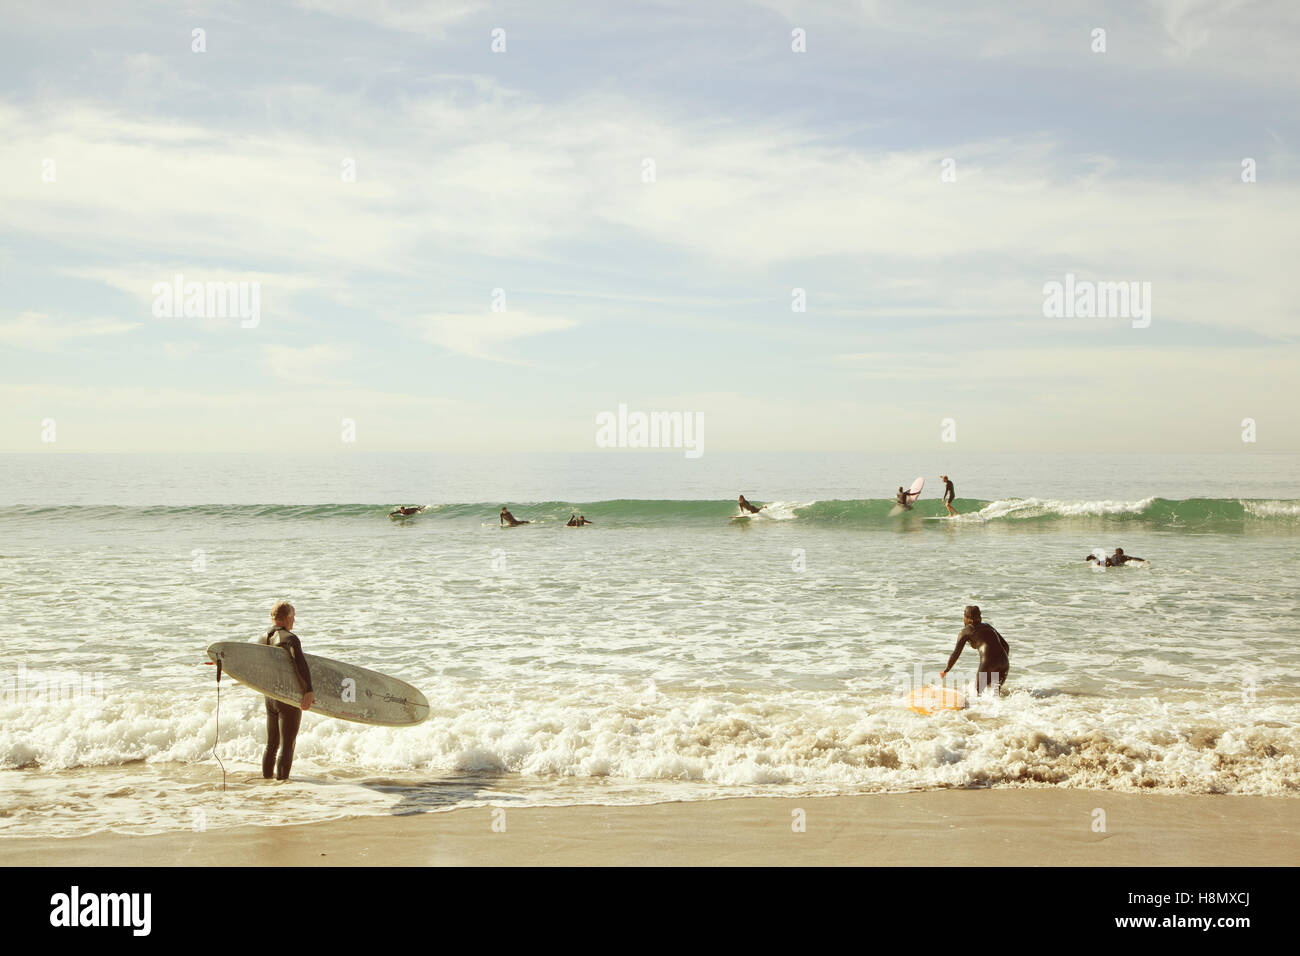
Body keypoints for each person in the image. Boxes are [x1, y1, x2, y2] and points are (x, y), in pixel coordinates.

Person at [259, 601, 314, 781]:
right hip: (287, 698)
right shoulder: (290, 639)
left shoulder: (262, 638)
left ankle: (267, 781)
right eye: (293, 616)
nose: (294, 620)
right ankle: (281, 785)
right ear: (286, 618)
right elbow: (301, 666)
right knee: (287, 745)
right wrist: (308, 691)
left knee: (271, 745)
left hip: (270, 697)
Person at [940, 605, 1009, 695]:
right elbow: (1006, 646)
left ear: (966, 618)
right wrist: (999, 662)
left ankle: (976, 709)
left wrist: (946, 670)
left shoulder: (965, 632)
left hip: (988, 663)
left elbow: (956, 653)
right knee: (995, 694)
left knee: (978, 693)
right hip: (1004, 662)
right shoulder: (988, 626)